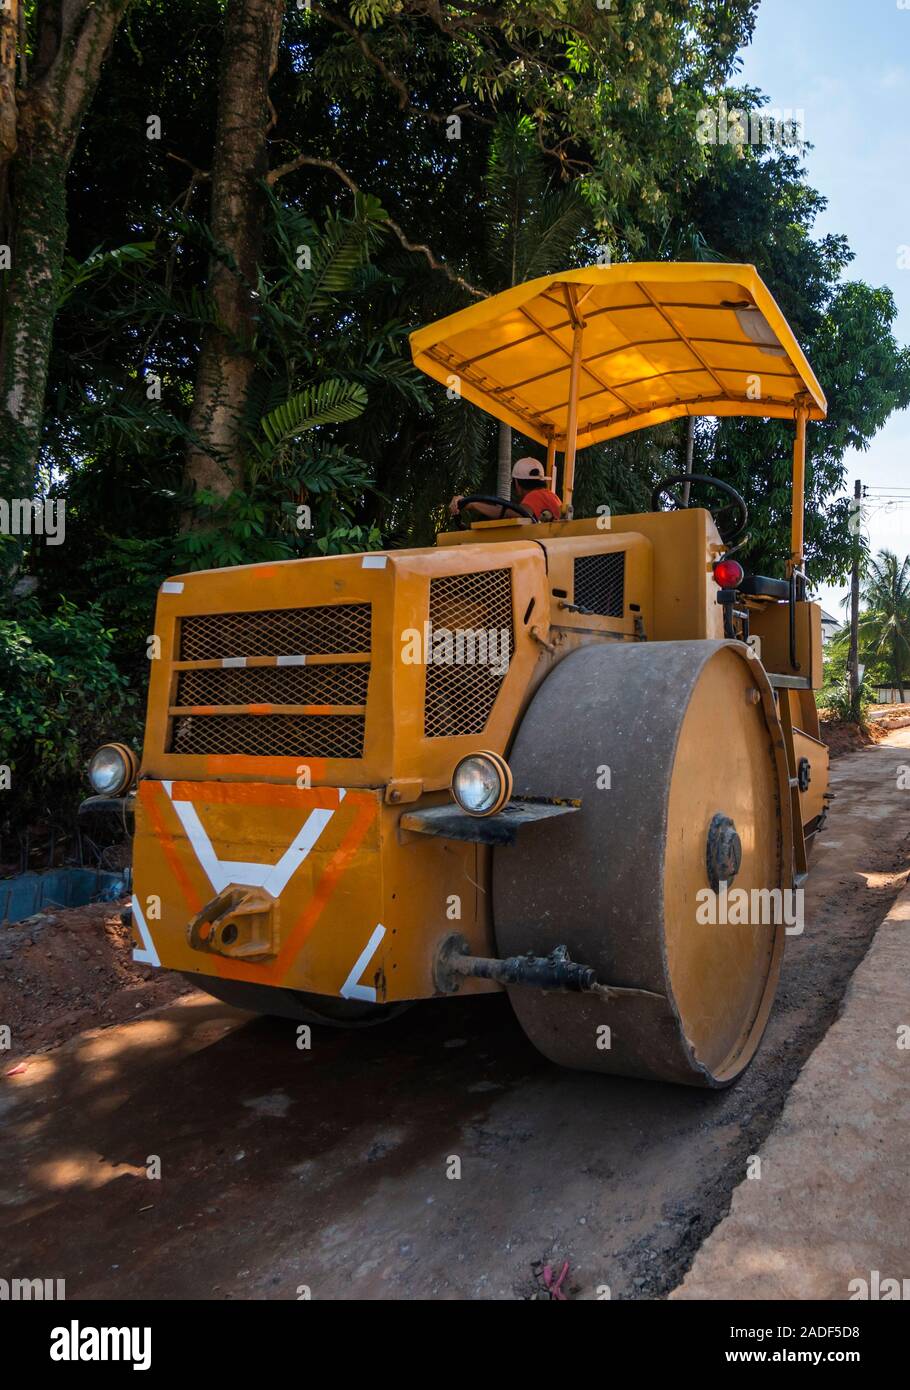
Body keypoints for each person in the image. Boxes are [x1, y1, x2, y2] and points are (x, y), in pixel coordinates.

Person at [449, 457, 563, 523]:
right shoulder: (553, 497)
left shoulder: (534, 496)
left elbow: (514, 514)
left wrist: (473, 504)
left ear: (517, 483)